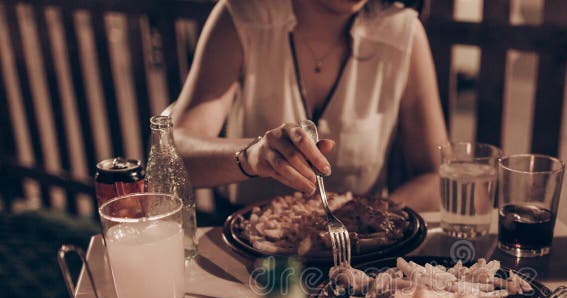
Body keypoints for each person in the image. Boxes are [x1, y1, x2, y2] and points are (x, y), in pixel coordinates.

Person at [169, 0, 448, 212]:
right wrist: (251, 156)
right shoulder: (242, 16)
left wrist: (368, 216)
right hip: (245, 248)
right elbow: (173, 152)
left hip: (362, 253)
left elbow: (438, 177)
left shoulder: (402, 32)